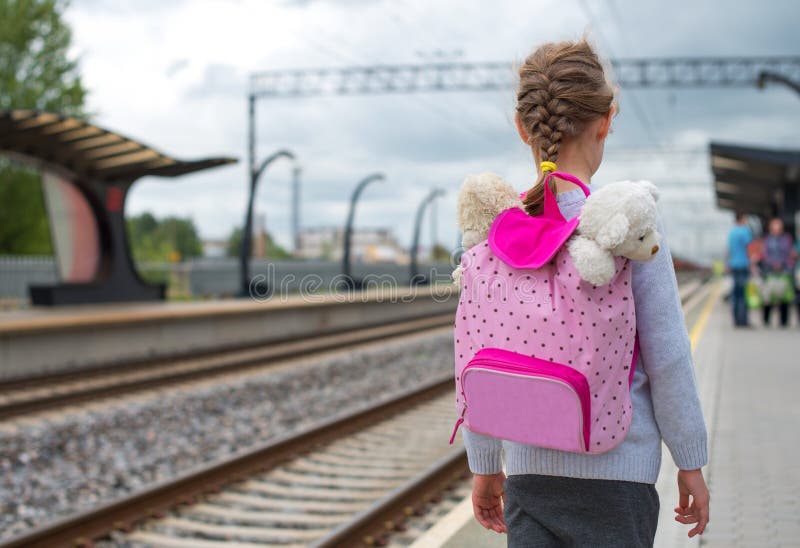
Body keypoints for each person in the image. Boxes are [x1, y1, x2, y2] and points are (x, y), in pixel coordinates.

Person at [460, 38, 710, 547]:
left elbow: (477, 356)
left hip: (531, 476)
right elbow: (669, 358)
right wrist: (690, 460)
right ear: (606, 120)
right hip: (620, 479)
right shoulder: (628, 224)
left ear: (521, 127)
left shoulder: (499, 237)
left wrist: (484, 464)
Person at [758, 217, 795, 327]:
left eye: (778, 225)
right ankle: (766, 320)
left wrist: (784, 264)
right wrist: (773, 263)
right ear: (771, 227)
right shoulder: (767, 239)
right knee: (768, 295)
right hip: (769, 270)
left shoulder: (786, 239)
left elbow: (789, 253)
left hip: (784, 270)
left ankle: (784, 321)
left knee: (784, 295)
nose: (777, 228)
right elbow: (764, 254)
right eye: (774, 225)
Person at [726, 211, 753, 326]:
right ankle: (743, 321)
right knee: (743, 294)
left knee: (736, 294)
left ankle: (736, 320)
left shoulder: (731, 233)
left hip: (733, 265)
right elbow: (750, 248)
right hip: (743, 264)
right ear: (742, 219)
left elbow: (729, 251)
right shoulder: (745, 231)